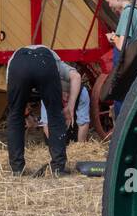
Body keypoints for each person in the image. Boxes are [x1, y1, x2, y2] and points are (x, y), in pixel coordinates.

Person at [5, 45, 81, 176]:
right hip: (45, 64)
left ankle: (17, 169)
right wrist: (70, 106)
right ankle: (58, 167)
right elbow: (76, 76)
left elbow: (14, 99)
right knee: (55, 116)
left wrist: (25, 113)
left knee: (15, 116)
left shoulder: (12, 60)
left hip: (19, 66)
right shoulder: (56, 60)